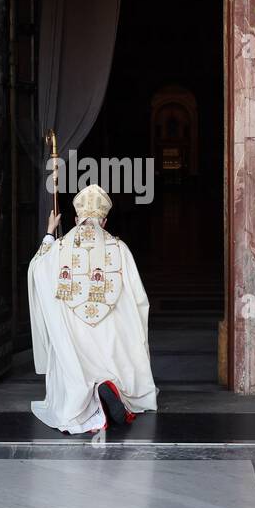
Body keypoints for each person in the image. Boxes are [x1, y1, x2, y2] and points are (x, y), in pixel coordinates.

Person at [28, 183, 158, 434]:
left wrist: (49, 234)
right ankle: (112, 389)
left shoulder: (60, 246)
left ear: (77, 219)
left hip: (74, 339)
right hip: (109, 337)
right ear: (105, 221)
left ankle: (91, 397)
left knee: (75, 370)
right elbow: (139, 298)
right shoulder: (120, 248)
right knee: (118, 352)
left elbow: (37, 270)